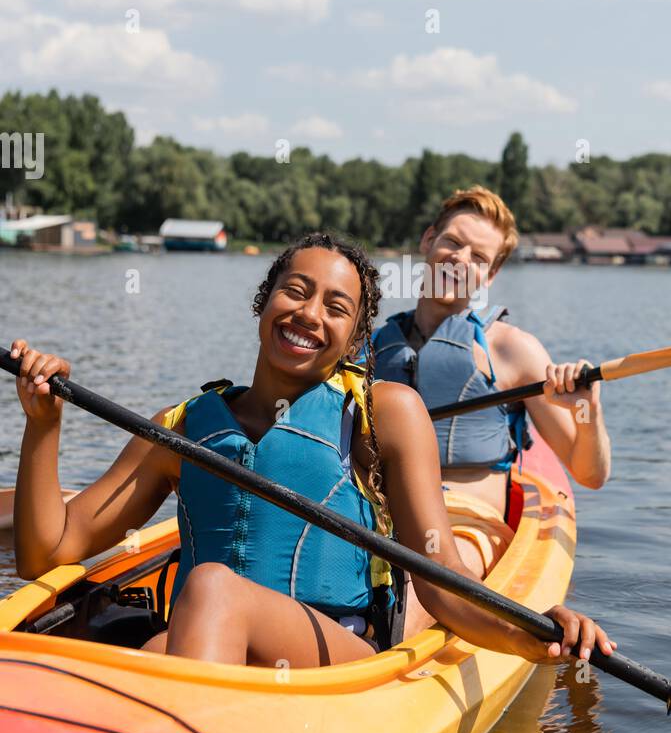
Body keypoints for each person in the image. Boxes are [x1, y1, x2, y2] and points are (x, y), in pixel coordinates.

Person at [11, 232, 615, 670]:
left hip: (334, 656)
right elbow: (47, 553)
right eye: (294, 292)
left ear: (355, 337)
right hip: (203, 642)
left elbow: (441, 579)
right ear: (263, 302)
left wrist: (531, 630)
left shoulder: (385, 414)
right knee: (157, 647)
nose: (308, 314)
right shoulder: (183, 427)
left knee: (212, 589)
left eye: (336, 307)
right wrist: (43, 425)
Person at [373, 187, 611, 630]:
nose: (461, 259)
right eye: (452, 242)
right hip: (378, 512)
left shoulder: (511, 350)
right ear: (428, 241)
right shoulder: (372, 347)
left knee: (414, 589)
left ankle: (383, 643)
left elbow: (590, 473)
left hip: (466, 522)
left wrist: (586, 411)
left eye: (479, 257)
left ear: (491, 274)